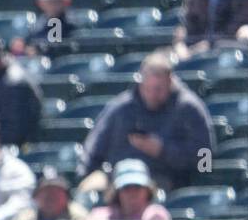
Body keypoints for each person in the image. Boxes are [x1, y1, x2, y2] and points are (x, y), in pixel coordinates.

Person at [80, 53, 214, 193]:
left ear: (170, 82)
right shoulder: (121, 107)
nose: (152, 95)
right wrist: (87, 173)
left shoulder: (189, 108)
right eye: (147, 89)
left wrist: (162, 150)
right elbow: (94, 147)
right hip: (117, 178)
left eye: (158, 89)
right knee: (88, 190)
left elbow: (204, 161)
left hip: (165, 181)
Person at [176, 0, 248, 51]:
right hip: (195, 54)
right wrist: (180, 45)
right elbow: (189, 29)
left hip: (225, 56)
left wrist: (208, 44)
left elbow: (231, 33)